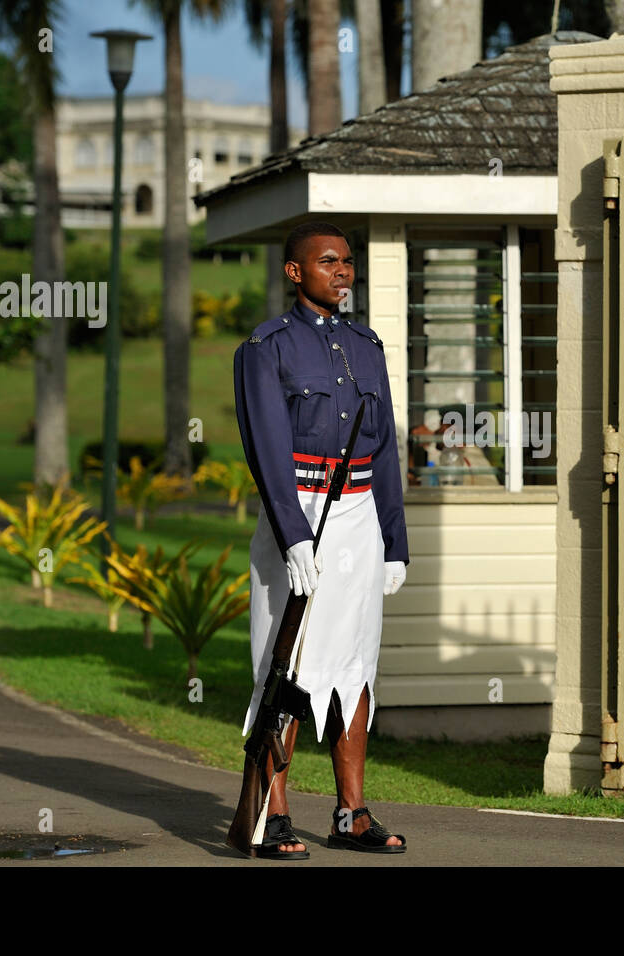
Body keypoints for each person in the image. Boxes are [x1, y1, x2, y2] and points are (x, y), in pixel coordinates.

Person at [232, 221, 409, 857]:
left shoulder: (367, 346)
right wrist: (293, 536)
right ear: (295, 272)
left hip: (360, 512)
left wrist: (395, 540)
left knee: (357, 666)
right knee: (287, 665)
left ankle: (351, 813)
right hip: (301, 512)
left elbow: (385, 450)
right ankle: (273, 816)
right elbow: (267, 450)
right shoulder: (266, 347)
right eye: (328, 261)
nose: (343, 272)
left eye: (348, 262)